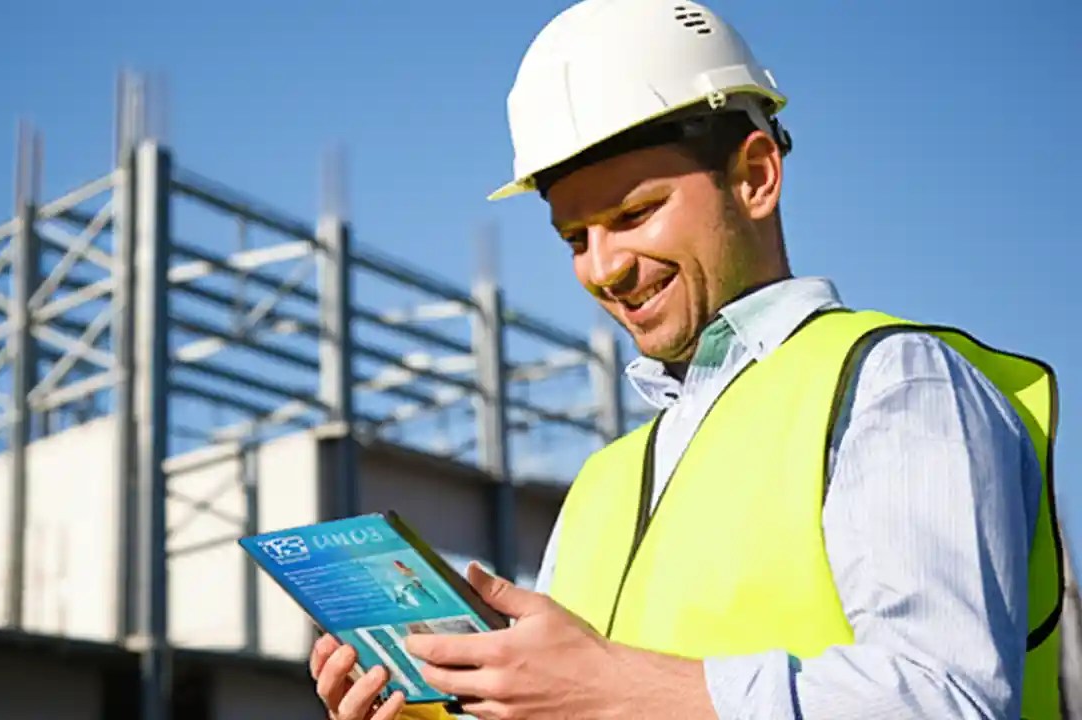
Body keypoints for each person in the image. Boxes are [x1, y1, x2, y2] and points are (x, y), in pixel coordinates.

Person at [308, 0, 1066, 717]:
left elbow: (946, 699)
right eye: (576, 238)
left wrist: (613, 689)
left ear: (755, 176)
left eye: (634, 214)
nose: (603, 268)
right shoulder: (605, 484)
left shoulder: (893, 383)